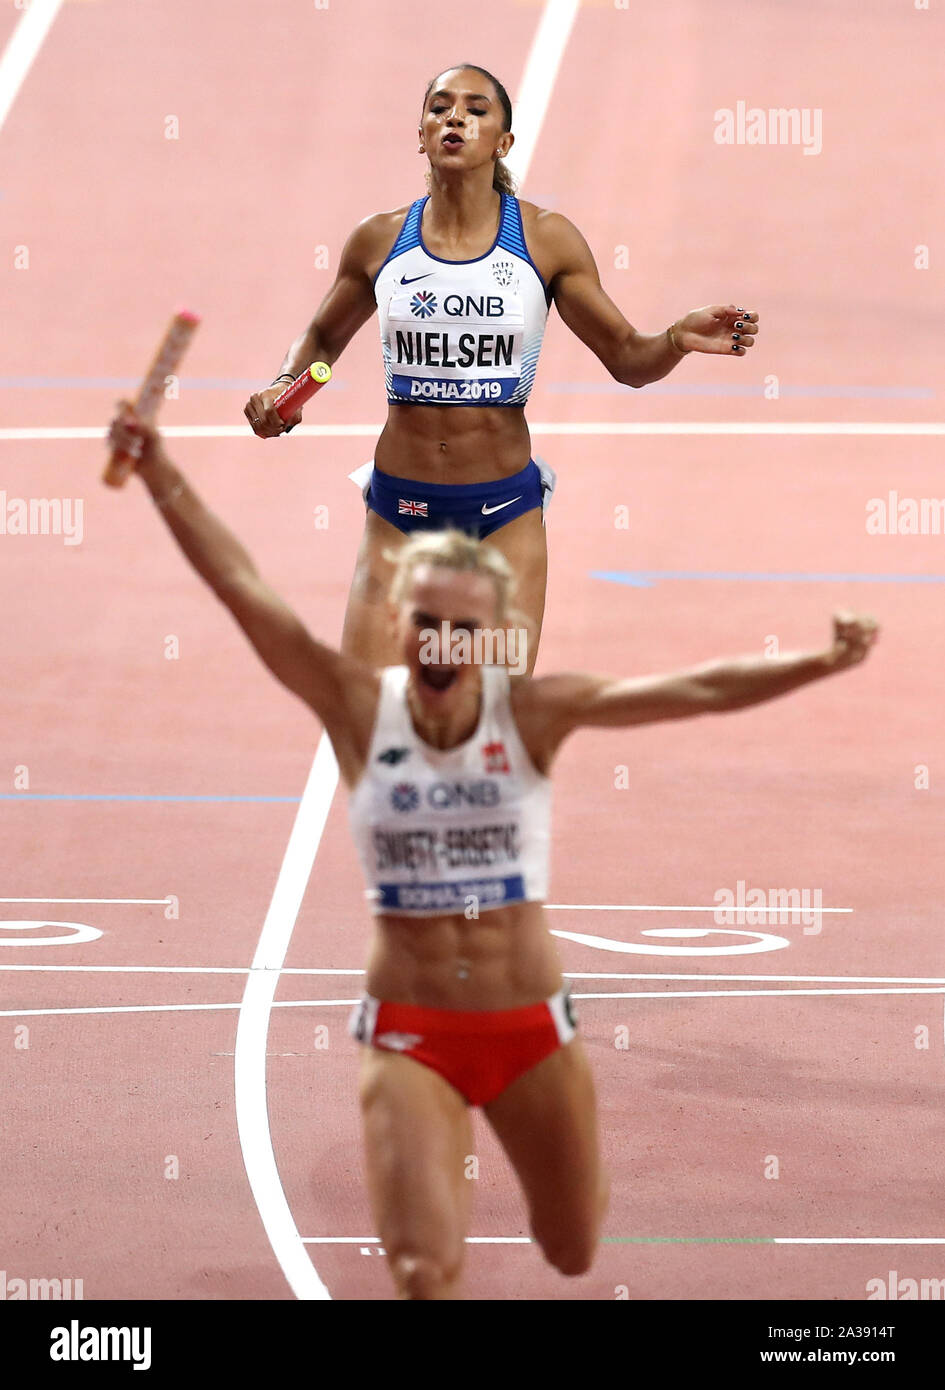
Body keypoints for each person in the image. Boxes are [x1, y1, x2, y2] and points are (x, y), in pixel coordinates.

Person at [107, 402, 878, 1301]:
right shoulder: (358, 709)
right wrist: (158, 470)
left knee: (572, 1248)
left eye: (462, 630)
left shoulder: (531, 715)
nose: (440, 643)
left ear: (491, 638)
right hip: (411, 1032)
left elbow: (698, 690)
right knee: (424, 1271)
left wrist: (819, 663)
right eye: (425, 621)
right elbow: (243, 587)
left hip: (529, 1030)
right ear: (400, 621)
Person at [244, 62, 760, 672]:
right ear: (421, 133)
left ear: (503, 142)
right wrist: (286, 383)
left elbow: (627, 360)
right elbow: (323, 335)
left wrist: (675, 338)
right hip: (398, 511)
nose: (455, 117)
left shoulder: (545, 241)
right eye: (439, 107)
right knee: (367, 716)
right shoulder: (378, 240)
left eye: (476, 109)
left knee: (491, 734)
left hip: (501, 519)